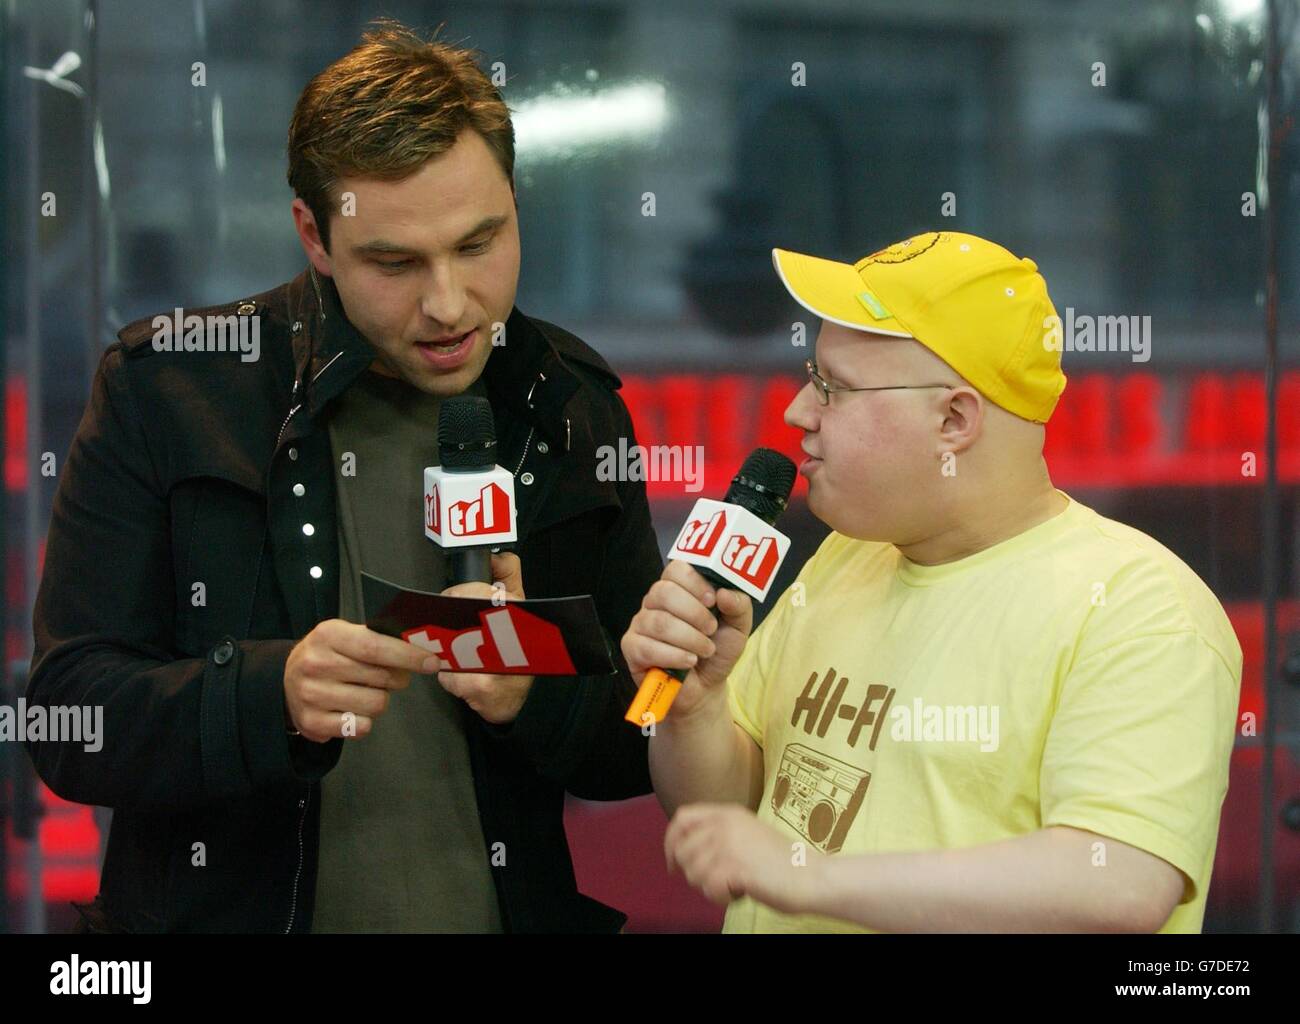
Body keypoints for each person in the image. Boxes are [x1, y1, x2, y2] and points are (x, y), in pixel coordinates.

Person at [27, 20, 662, 934]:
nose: (449, 305)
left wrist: (538, 690)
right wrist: (267, 695)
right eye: (395, 263)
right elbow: (68, 718)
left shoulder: (569, 403)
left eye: (480, 244)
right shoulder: (169, 389)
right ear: (315, 237)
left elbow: (642, 734)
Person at [622, 230, 1243, 933]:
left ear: (954, 418)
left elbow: (1119, 884)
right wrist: (697, 709)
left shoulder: (1139, 608)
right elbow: (730, 818)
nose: (798, 411)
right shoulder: (846, 560)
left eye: (834, 387)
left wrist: (813, 878)